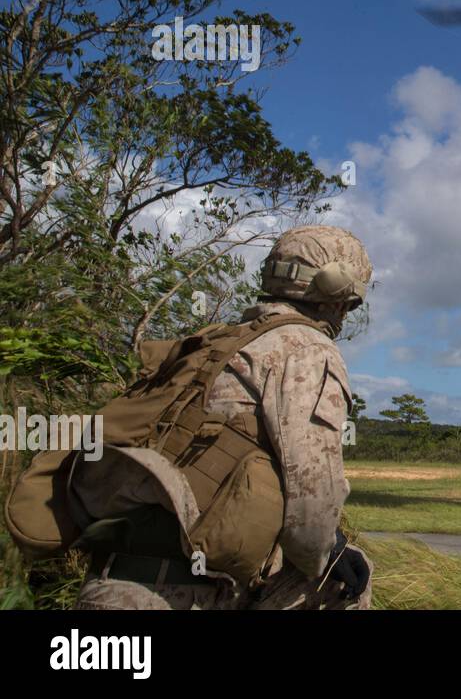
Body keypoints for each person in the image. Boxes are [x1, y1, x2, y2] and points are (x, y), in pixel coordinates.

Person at [72, 224, 374, 610]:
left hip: (109, 583)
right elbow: (312, 513)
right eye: (351, 303)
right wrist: (328, 552)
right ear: (337, 292)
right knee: (347, 581)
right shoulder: (308, 349)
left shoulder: (218, 342)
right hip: (185, 595)